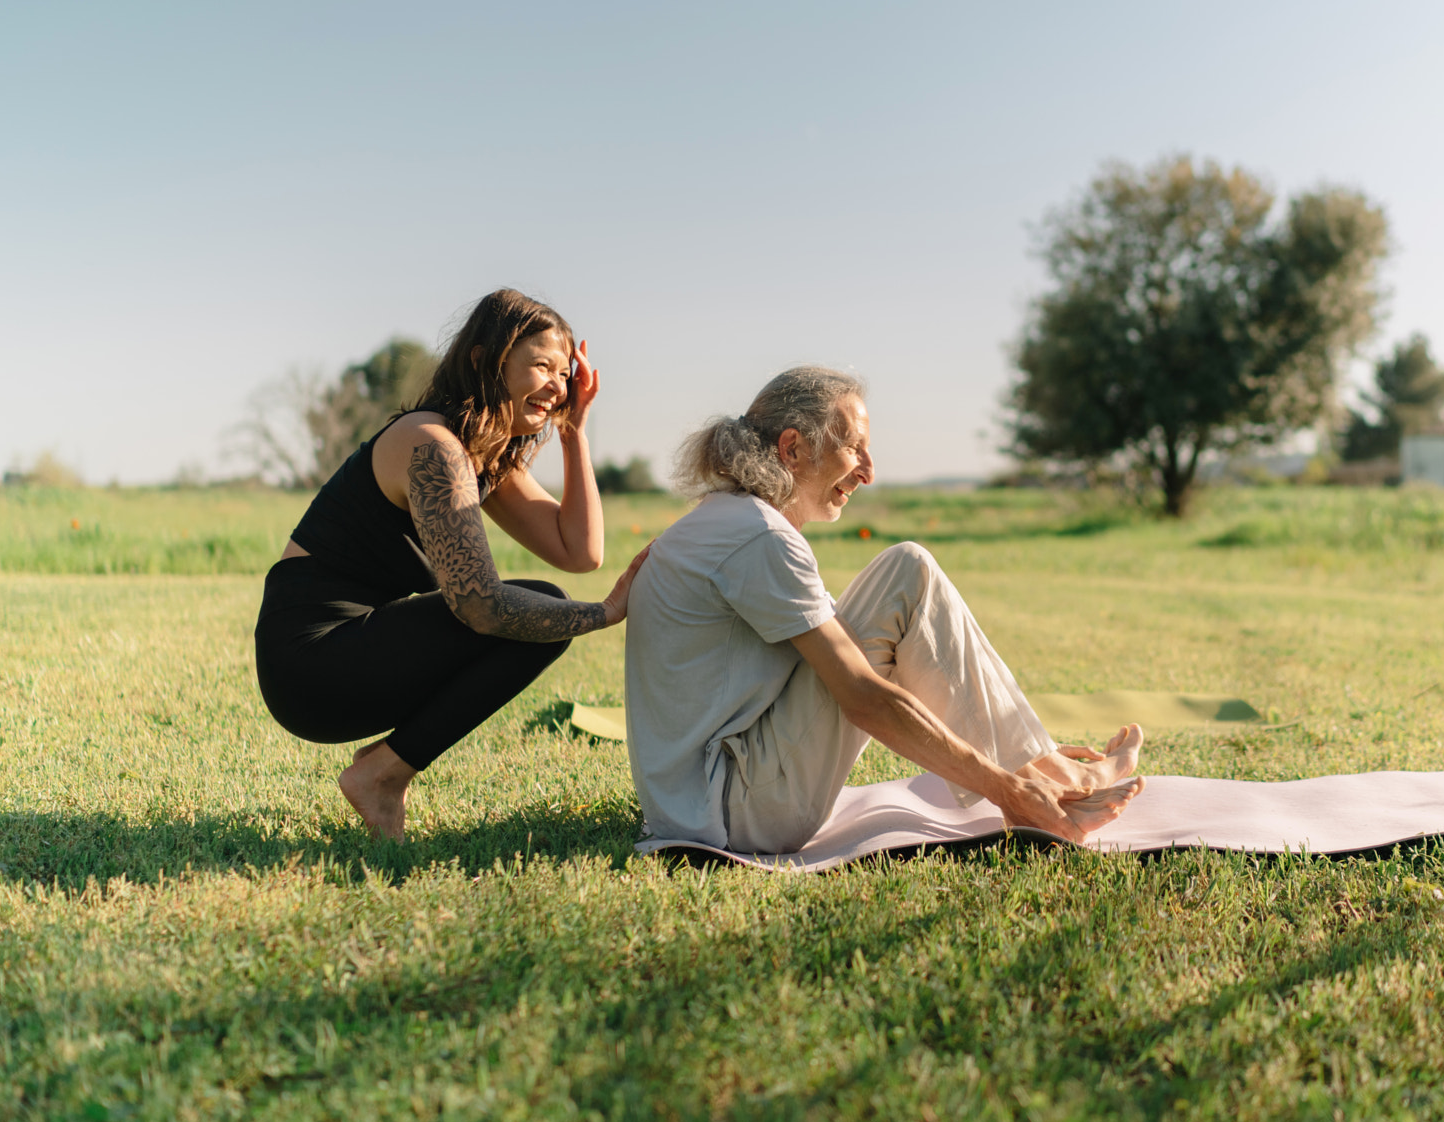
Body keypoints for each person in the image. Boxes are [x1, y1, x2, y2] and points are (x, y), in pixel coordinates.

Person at [623, 366, 1142, 856]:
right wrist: (1006, 789)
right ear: (792, 448)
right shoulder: (760, 537)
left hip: (699, 802)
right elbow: (864, 698)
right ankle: (1047, 781)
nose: (868, 472)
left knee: (903, 576)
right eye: (854, 448)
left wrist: (1018, 764)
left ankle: (1046, 769)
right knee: (907, 571)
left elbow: (858, 647)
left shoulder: (730, 521)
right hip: (738, 814)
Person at [254, 289, 647, 839]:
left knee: (545, 608)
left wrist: (574, 431)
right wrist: (602, 614)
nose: (559, 384)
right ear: (483, 361)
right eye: (541, 365)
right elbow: (481, 608)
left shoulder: (479, 454)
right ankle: (381, 777)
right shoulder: (432, 445)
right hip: (311, 660)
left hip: (343, 657)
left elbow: (579, 551)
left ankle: (382, 773)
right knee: (541, 612)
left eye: (565, 372)